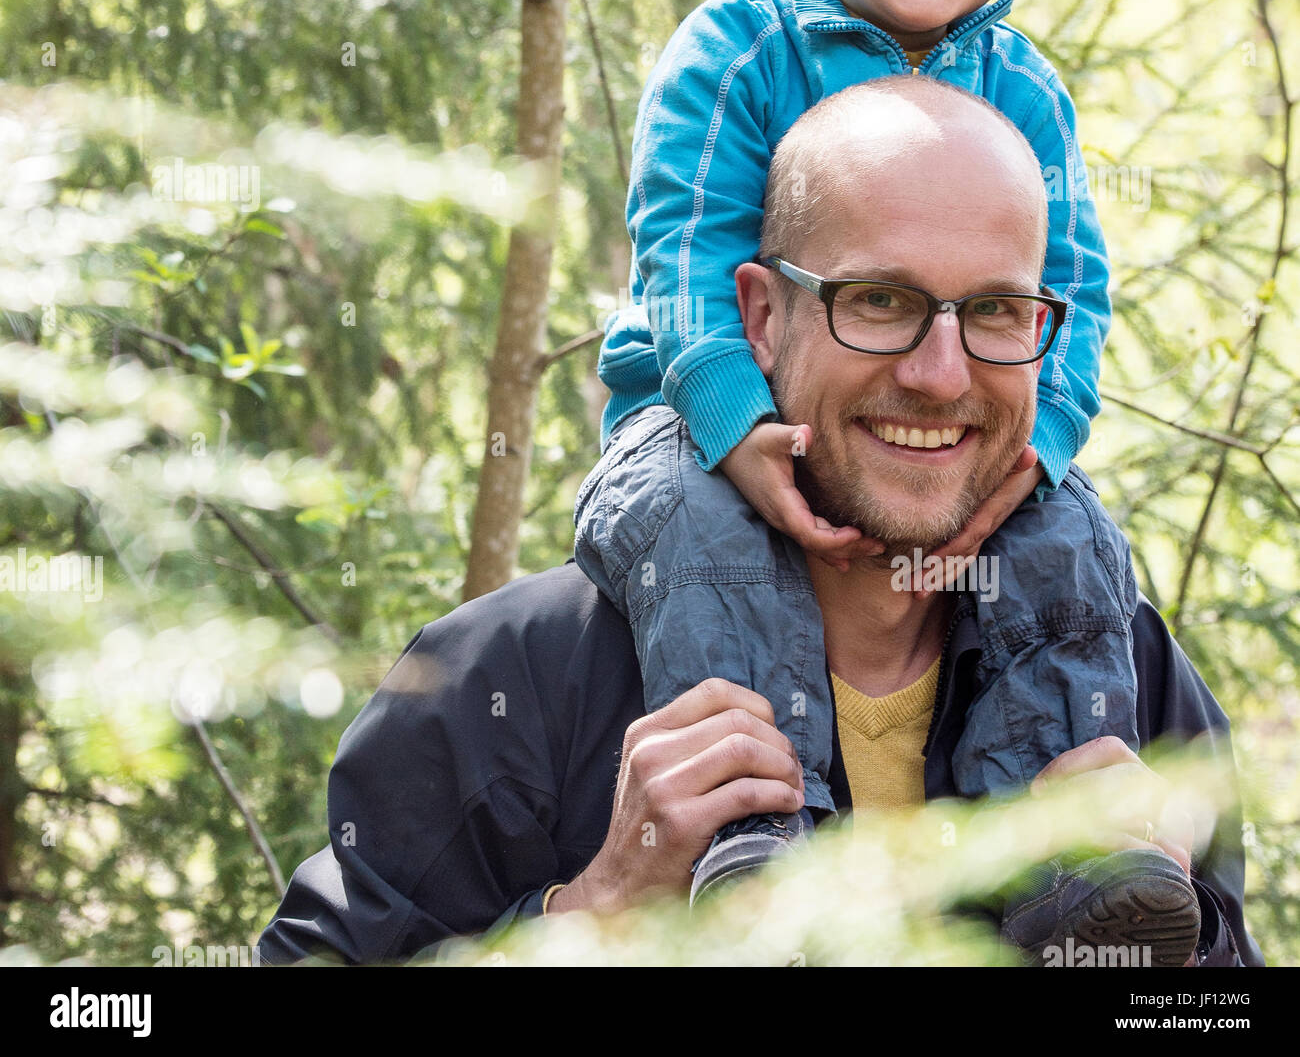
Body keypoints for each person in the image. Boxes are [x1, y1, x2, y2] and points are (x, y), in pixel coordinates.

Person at [256, 82, 1262, 968]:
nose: (939, 373)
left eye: (996, 312)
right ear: (760, 316)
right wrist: (597, 913)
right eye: (879, 300)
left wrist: (1181, 955)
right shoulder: (516, 676)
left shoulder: (1118, 671)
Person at [578, 0, 1123, 909]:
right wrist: (732, 422)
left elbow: (1074, 292)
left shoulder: (1024, 91)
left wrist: (1038, 440)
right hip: (687, 415)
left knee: (1074, 542)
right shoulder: (738, 51)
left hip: (947, 445)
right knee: (700, 534)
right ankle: (754, 834)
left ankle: (1061, 849)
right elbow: (681, 245)